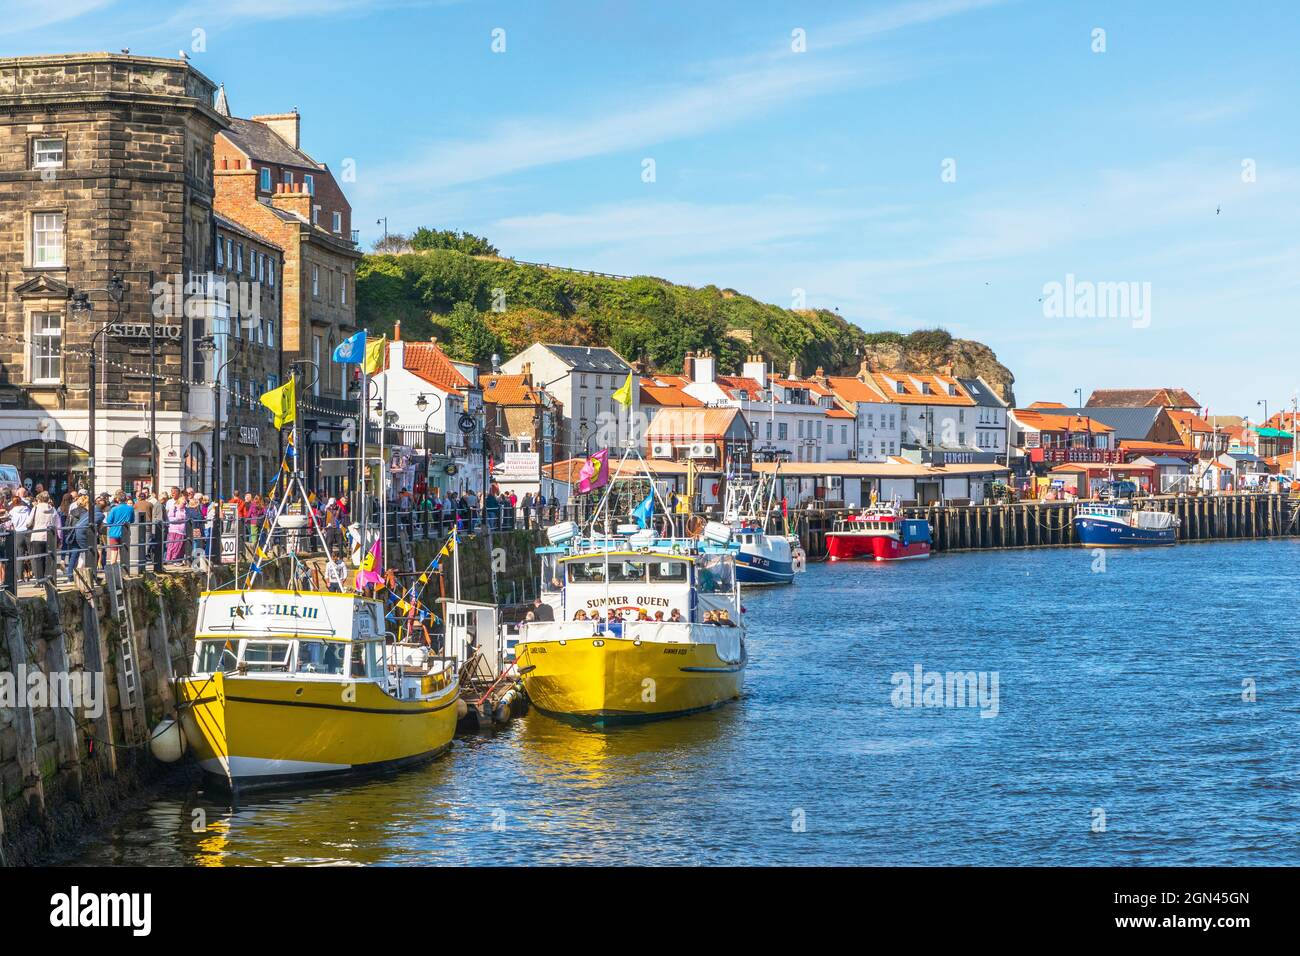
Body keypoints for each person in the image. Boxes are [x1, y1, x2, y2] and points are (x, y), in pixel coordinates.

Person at [29, 491, 57, 581]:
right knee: (48, 558)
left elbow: (28, 522)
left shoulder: (36, 508)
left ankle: (40, 580)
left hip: (37, 536)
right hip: (49, 536)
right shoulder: (52, 509)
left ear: (39, 499)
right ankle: (48, 579)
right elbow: (55, 521)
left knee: (38, 559)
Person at [105, 492, 135, 564]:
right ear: (126, 499)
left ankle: (113, 570)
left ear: (117, 499)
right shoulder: (130, 508)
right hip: (125, 533)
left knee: (114, 552)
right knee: (125, 552)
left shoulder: (114, 509)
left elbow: (109, 521)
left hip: (114, 532)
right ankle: (124, 571)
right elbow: (132, 520)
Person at [165, 488, 187, 561]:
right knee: (172, 545)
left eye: (185, 503)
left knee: (179, 546)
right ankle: (170, 559)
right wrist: (178, 519)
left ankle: (177, 559)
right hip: (173, 529)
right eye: (183, 503)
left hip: (182, 530)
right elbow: (169, 517)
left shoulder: (185, 509)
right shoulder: (173, 507)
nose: (184, 504)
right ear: (179, 502)